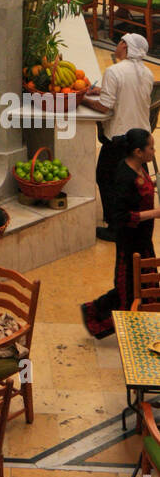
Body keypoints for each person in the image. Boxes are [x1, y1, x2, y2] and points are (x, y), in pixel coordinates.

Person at [81, 127, 160, 339]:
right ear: (137, 151)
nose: (154, 151)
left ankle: (142, 327)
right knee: (128, 290)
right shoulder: (124, 176)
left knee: (146, 284)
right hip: (130, 242)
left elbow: (142, 187)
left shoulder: (139, 167)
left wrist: (153, 185)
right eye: (150, 147)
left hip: (143, 239)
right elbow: (122, 217)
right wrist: (155, 213)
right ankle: (95, 313)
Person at [82, 34, 153, 240]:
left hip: (121, 138)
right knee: (139, 182)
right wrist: (102, 91)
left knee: (106, 177)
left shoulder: (114, 71)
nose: (117, 45)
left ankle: (115, 227)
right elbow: (129, 93)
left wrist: (84, 99)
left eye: (120, 41)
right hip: (142, 136)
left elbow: (105, 106)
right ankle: (138, 222)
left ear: (125, 46)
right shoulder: (147, 73)